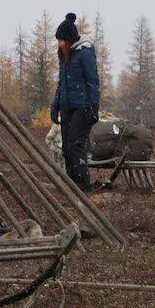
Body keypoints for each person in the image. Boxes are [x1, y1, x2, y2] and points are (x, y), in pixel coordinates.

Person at [49, 12, 100, 191]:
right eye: (58, 40)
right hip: (67, 107)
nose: (60, 43)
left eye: (63, 40)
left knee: (75, 146)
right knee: (66, 148)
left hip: (82, 107)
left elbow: (93, 81)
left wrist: (94, 106)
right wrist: (55, 106)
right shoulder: (64, 55)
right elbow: (61, 83)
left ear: (71, 39)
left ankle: (83, 184)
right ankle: (71, 184)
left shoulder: (84, 54)